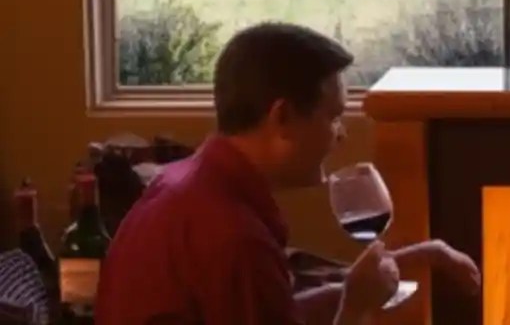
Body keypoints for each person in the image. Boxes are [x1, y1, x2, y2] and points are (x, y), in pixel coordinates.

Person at [97, 22, 480, 325]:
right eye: (333, 117)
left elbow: (278, 310)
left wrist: (412, 259)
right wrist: (354, 308)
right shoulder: (234, 238)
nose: (342, 135)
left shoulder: (182, 182)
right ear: (282, 117)